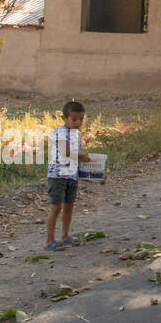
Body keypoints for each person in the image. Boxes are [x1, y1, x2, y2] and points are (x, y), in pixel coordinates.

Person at [45, 101, 93, 250]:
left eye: (81, 119)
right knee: (56, 207)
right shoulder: (61, 132)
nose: (78, 122)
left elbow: (77, 154)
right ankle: (49, 240)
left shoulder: (77, 134)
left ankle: (65, 236)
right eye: (74, 119)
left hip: (71, 175)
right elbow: (65, 152)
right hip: (58, 174)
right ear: (65, 118)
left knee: (69, 206)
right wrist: (81, 156)